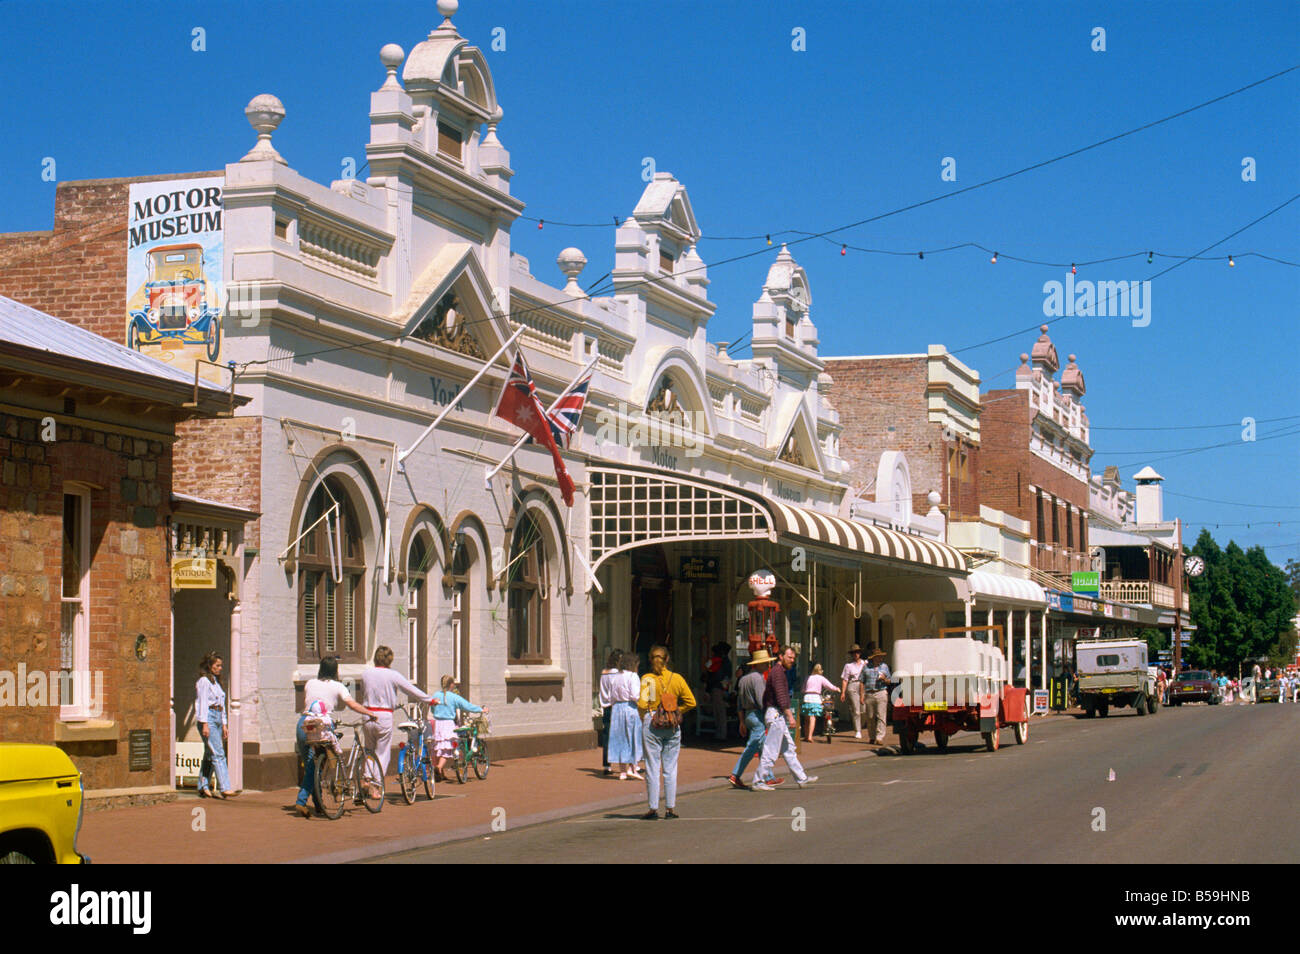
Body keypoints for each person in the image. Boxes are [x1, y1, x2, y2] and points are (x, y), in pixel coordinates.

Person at [295, 656, 376, 817]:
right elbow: (351, 704)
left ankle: (318, 803)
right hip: (321, 727)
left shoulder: (310, 683)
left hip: (303, 725)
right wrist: (369, 713)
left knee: (312, 766)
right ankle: (301, 801)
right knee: (317, 766)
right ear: (335, 670)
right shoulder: (338, 686)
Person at [637, 645, 696, 819]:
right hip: (672, 724)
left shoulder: (648, 679)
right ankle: (670, 808)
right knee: (670, 767)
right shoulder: (676, 678)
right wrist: (677, 712)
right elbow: (691, 702)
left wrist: (646, 715)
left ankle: (653, 808)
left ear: (650, 660)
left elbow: (641, 704)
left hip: (652, 721)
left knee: (652, 766)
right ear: (667, 659)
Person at [361, 645, 434, 779]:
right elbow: (410, 689)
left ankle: (366, 777)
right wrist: (429, 700)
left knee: (369, 749)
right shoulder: (393, 675)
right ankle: (376, 783)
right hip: (384, 715)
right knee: (382, 752)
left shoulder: (366, 673)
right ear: (390, 660)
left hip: (366, 713)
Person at [753, 645, 816, 791]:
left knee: (788, 748)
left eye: (794, 658)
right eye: (789, 657)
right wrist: (790, 716)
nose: (792, 660)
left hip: (776, 714)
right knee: (771, 749)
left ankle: (802, 778)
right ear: (781, 656)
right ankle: (758, 780)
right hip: (776, 714)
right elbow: (781, 696)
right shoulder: (778, 673)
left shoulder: (779, 672)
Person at [727, 649, 783, 790]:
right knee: (753, 746)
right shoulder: (758, 678)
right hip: (757, 714)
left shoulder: (743, 679)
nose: (766, 665)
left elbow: (739, 703)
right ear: (758, 664)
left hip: (748, 714)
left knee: (762, 746)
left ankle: (768, 776)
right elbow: (761, 699)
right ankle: (736, 773)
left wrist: (741, 721)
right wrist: (769, 712)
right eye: (764, 663)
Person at [195, 652, 236, 799]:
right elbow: (202, 703)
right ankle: (225, 787)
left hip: (218, 717)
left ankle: (202, 784)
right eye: (217, 665)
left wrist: (224, 725)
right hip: (209, 718)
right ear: (209, 666)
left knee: (210, 753)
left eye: (221, 666)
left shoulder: (216, 683)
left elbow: (222, 705)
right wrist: (205, 724)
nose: (220, 668)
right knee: (218, 753)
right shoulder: (204, 682)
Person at [430, 675, 486, 780]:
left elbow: (432, 709)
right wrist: (481, 710)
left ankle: (440, 772)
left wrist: (437, 712)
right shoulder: (454, 697)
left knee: (438, 746)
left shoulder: (436, 695)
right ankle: (439, 767)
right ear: (451, 685)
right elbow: (467, 705)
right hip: (448, 724)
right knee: (448, 747)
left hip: (438, 724)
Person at [603, 651, 643, 780]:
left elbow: (611, 696)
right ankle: (632, 767)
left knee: (620, 739)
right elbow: (635, 695)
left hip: (616, 709)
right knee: (632, 737)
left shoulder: (616, 676)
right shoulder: (633, 676)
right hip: (629, 707)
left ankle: (622, 772)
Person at [859, 645, 891, 745]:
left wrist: (884, 679)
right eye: (878, 656)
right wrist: (861, 695)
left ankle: (879, 737)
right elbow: (861, 681)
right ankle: (872, 736)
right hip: (869, 693)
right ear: (873, 657)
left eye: (881, 656)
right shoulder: (866, 667)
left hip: (881, 692)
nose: (880, 658)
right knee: (870, 716)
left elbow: (890, 681)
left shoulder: (884, 667)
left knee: (881, 716)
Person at [801, 663, 841, 742]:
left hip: (807, 698)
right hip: (815, 698)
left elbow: (803, 689)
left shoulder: (808, 678)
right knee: (813, 718)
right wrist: (837, 689)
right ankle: (810, 736)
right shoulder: (821, 678)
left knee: (806, 719)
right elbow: (829, 686)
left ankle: (806, 736)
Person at [702, 641, 733, 741]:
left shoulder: (717, 662)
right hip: (723, 688)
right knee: (720, 711)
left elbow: (708, 675)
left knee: (719, 712)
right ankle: (720, 732)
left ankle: (721, 734)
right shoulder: (727, 662)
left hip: (716, 689)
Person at [598, 649, 621, 775]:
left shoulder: (604, 672)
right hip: (615, 706)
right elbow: (616, 691)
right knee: (621, 735)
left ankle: (607, 765)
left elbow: (603, 690)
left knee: (606, 735)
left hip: (606, 706)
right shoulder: (617, 673)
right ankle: (626, 764)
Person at [841, 645, 867, 739]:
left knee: (864, 709)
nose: (856, 654)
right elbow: (845, 679)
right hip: (853, 685)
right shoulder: (848, 666)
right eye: (854, 653)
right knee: (856, 709)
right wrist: (843, 692)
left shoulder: (865, 663)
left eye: (857, 652)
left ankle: (861, 725)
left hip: (863, 685)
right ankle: (858, 730)